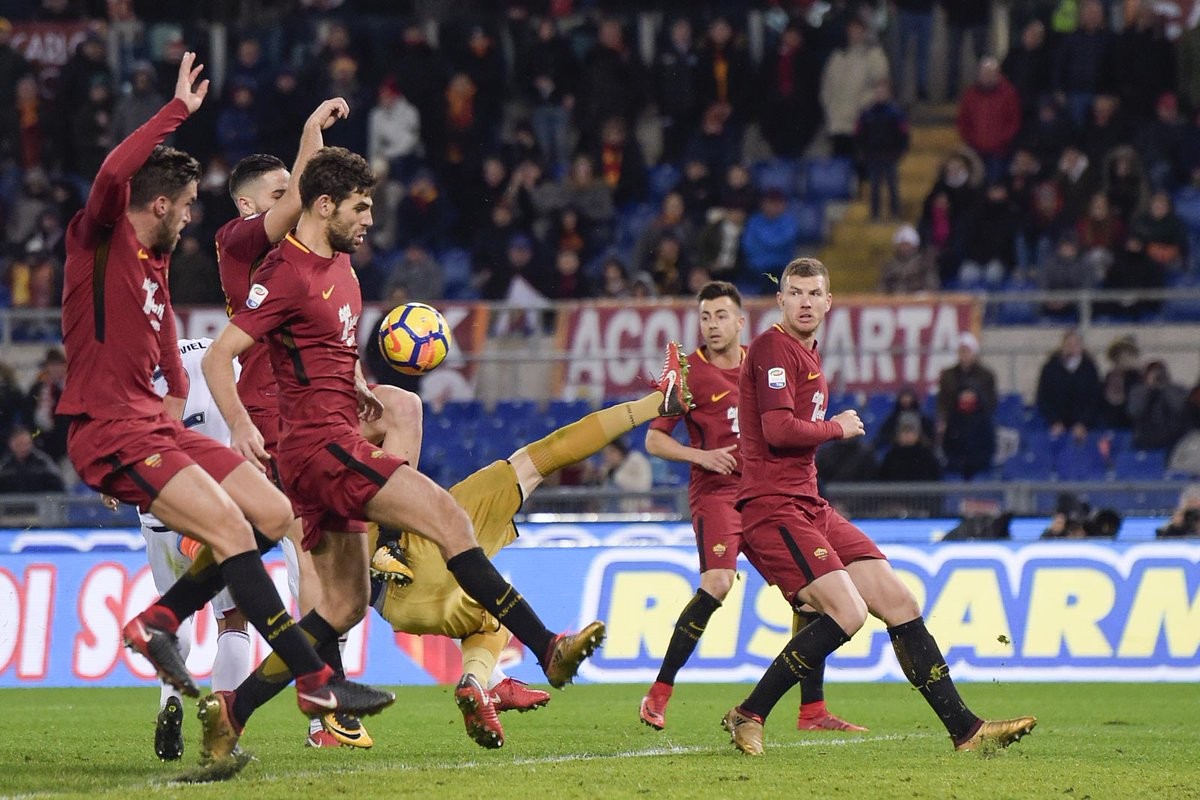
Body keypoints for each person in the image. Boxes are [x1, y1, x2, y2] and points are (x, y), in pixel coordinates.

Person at [201, 147, 616, 761]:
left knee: (343, 605)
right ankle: (546, 646)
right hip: (320, 448)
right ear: (323, 206)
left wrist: (360, 386)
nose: (370, 220)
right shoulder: (284, 273)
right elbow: (217, 358)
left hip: (333, 441)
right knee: (450, 519)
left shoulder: (341, 264)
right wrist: (238, 424)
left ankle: (232, 711)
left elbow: (328, 351)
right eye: (360, 207)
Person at [57, 54, 393, 768]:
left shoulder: (153, 272)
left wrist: (174, 416)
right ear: (156, 205)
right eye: (181, 206)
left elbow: (173, 365)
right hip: (108, 430)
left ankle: (157, 619)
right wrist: (176, 111)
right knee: (232, 531)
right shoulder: (99, 240)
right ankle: (312, 678)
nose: (188, 216)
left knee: (272, 520)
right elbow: (115, 174)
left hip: (156, 428)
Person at [722, 257, 1035, 755]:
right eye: (795, 293)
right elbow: (780, 431)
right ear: (780, 300)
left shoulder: (805, 353)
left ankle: (966, 731)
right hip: (773, 506)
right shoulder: (771, 349)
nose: (805, 302)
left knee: (899, 603)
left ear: (828, 302)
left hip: (810, 505)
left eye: (814, 293)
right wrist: (837, 428)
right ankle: (749, 713)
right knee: (846, 613)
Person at [212, 98, 415, 750]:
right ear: (254, 207)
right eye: (282, 193)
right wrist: (309, 141)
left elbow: (309, 188)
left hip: (317, 408)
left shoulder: (318, 262)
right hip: (275, 420)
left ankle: (387, 535)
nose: (298, 198)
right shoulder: (243, 240)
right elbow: (309, 189)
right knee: (306, 570)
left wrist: (357, 384)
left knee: (403, 407)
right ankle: (323, 707)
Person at [372, 349, 692, 748]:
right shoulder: (378, 409)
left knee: (491, 614)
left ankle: (480, 685)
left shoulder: (319, 434)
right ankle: (655, 404)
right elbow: (551, 454)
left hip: (392, 602)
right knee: (536, 461)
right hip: (412, 543)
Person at [640, 281, 863, 734]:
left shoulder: (763, 361)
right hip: (718, 494)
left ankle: (812, 711)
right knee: (718, 583)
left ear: (740, 322)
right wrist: (701, 456)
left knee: (812, 594)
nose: (712, 326)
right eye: (705, 318)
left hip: (766, 492)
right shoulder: (688, 375)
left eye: (721, 316)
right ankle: (660, 692)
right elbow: (653, 439)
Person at [133, 338, 250, 762]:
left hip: (157, 507)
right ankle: (221, 729)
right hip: (214, 505)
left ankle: (171, 696)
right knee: (234, 620)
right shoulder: (226, 356)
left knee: (173, 612)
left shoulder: (140, 364)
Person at [936, 332, 997, 478]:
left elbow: (990, 401)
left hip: (978, 423)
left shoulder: (986, 375)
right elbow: (943, 401)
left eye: (967, 350)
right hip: (955, 422)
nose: (964, 354)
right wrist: (943, 419)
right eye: (961, 350)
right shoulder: (948, 375)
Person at [1035, 330, 1101, 441]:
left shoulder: (1090, 369)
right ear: (1062, 346)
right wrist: (1054, 422)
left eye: (1075, 344)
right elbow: (1043, 398)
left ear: (1081, 347)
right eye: (1068, 344)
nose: (1071, 348)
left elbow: (1095, 400)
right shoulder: (1050, 368)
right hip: (1055, 426)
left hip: (1085, 427)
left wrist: (1083, 423)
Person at [0, 425, 64, 493]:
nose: (23, 448)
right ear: (11, 444)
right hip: (10, 502)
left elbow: (58, 483)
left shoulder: (42, 461)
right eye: (19, 444)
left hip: (39, 502)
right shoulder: (4, 464)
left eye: (26, 444)